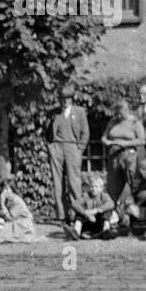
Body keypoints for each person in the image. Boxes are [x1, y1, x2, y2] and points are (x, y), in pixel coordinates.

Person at [48, 83, 89, 226]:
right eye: (62, 99)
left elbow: (85, 132)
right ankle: (62, 216)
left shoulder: (79, 112)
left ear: (72, 99)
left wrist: (80, 150)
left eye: (68, 99)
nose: (65, 102)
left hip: (73, 148)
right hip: (57, 148)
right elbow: (48, 131)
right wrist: (51, 146)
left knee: (74, 182)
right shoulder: (54, 113)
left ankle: (77, 214)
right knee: (57, 182)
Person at [102, 99, 145, 215]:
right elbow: (104, 137)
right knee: (113, 184)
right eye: (117, 113)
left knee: (128, 183)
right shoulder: (113, 121)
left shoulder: (135, 122)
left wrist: (125, 143)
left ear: (127, 110)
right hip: (114, 155)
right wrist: (107, 142)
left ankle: (125, 211)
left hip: (129, 155)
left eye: (121, 113)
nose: (119, 116)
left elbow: (142, 140)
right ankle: (113, 214)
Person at [0, 178, 37, 243]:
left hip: (24, 226)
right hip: (16, 223)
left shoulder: (16, 201)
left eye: (7, 189)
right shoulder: (9, 200)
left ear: (12, 190)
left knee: (0, 229)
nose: (5, 192)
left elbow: (9, 218)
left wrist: (2, 201)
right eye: (4, 189)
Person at [70, 175, 119, 239]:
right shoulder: (86, 196)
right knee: (79, 212)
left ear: (101, 188)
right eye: (92, 186)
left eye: (96, 187)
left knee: (107, 211)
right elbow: (75, 203)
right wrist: (85, 213)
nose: (93, 189)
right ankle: (76, 231)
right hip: (88, 221)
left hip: (99, 222)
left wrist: (97, 210)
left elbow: (111, 203)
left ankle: (106, 230)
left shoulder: (104, 196)